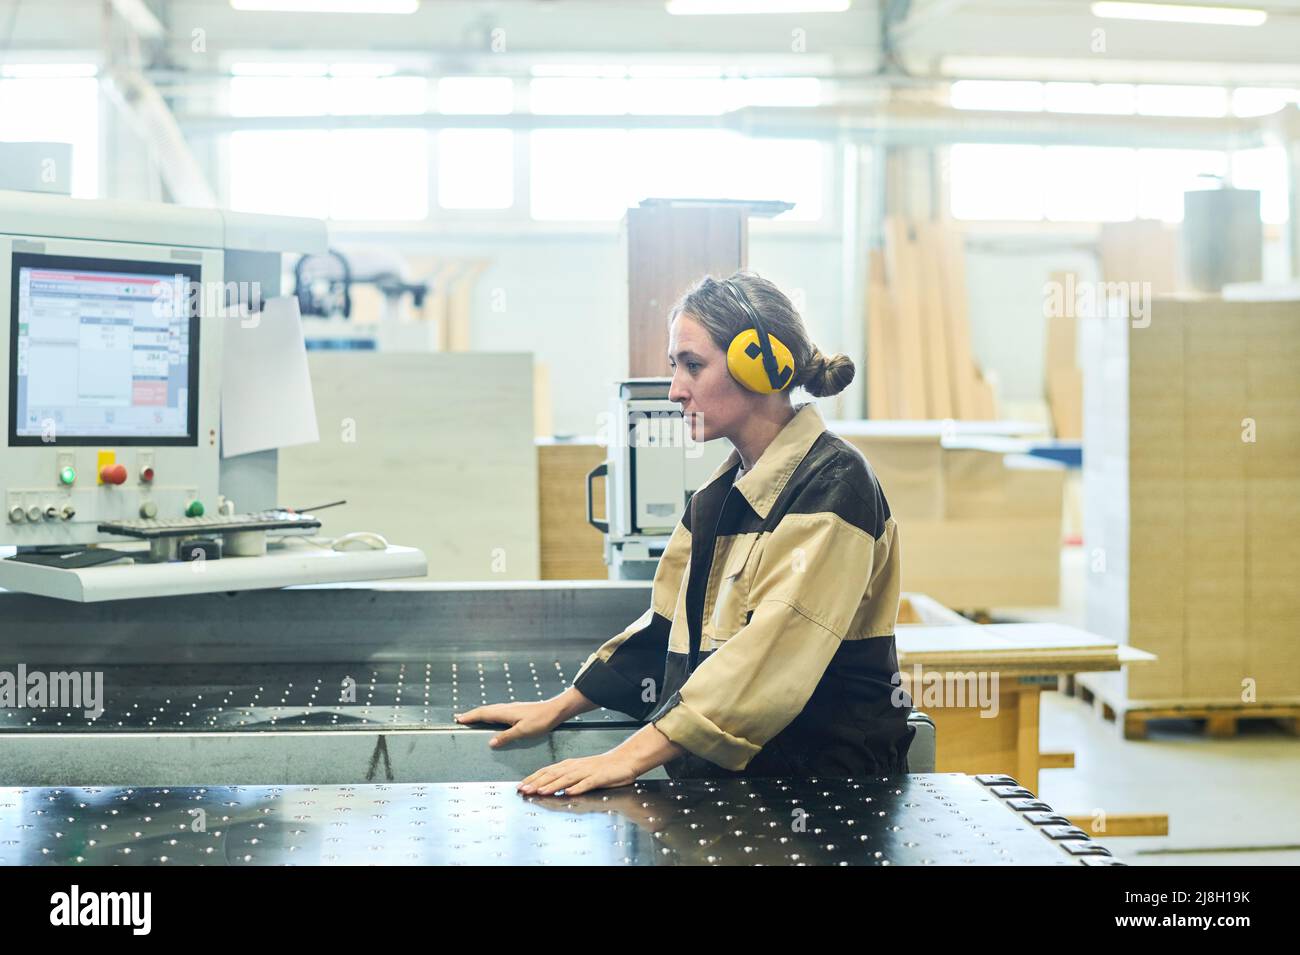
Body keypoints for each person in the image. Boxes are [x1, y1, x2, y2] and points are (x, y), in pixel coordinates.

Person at [456, 270, 914, 795]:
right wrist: (562, 705)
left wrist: (626, 759)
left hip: (826, 786)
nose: (675, 390)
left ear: (759, 365)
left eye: (693, 366)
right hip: (746, 785)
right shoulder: (718, 498)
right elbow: (667, 629)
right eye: (675, 367)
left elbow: (769, 656)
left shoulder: (835, 486)